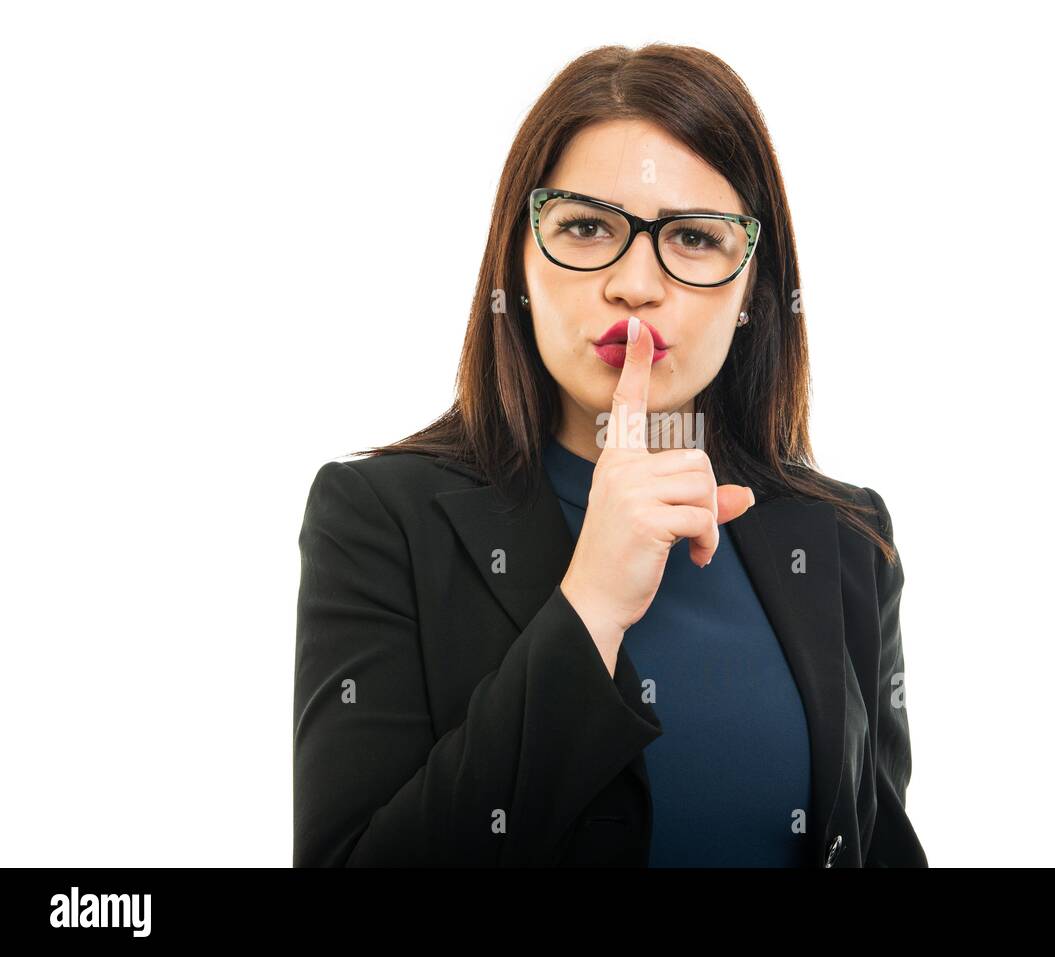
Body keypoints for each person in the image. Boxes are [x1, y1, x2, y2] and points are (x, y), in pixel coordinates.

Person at [293, 43, 927, 868]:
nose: (636, 282)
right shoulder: (378, 517)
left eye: (696, 238)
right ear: (517, 263)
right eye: (587, 227)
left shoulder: (843, 533)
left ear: (751, 294)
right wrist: (589, 607)